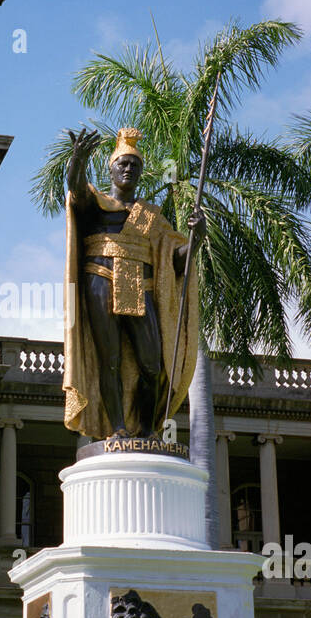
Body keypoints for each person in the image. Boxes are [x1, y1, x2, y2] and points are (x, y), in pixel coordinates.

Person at [63, 126, 205, 440]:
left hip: (143, 286)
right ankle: (116, 429)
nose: (128, 169)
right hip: (100, 280)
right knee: (110, 360)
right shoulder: (97, 204)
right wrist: (77, 161)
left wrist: (196, 239)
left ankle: (146, 429)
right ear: (110, 169)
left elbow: (175, 262)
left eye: (134, 165)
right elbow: (76, 190)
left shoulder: (151, 216)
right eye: (122, 164)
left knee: (152, 364)